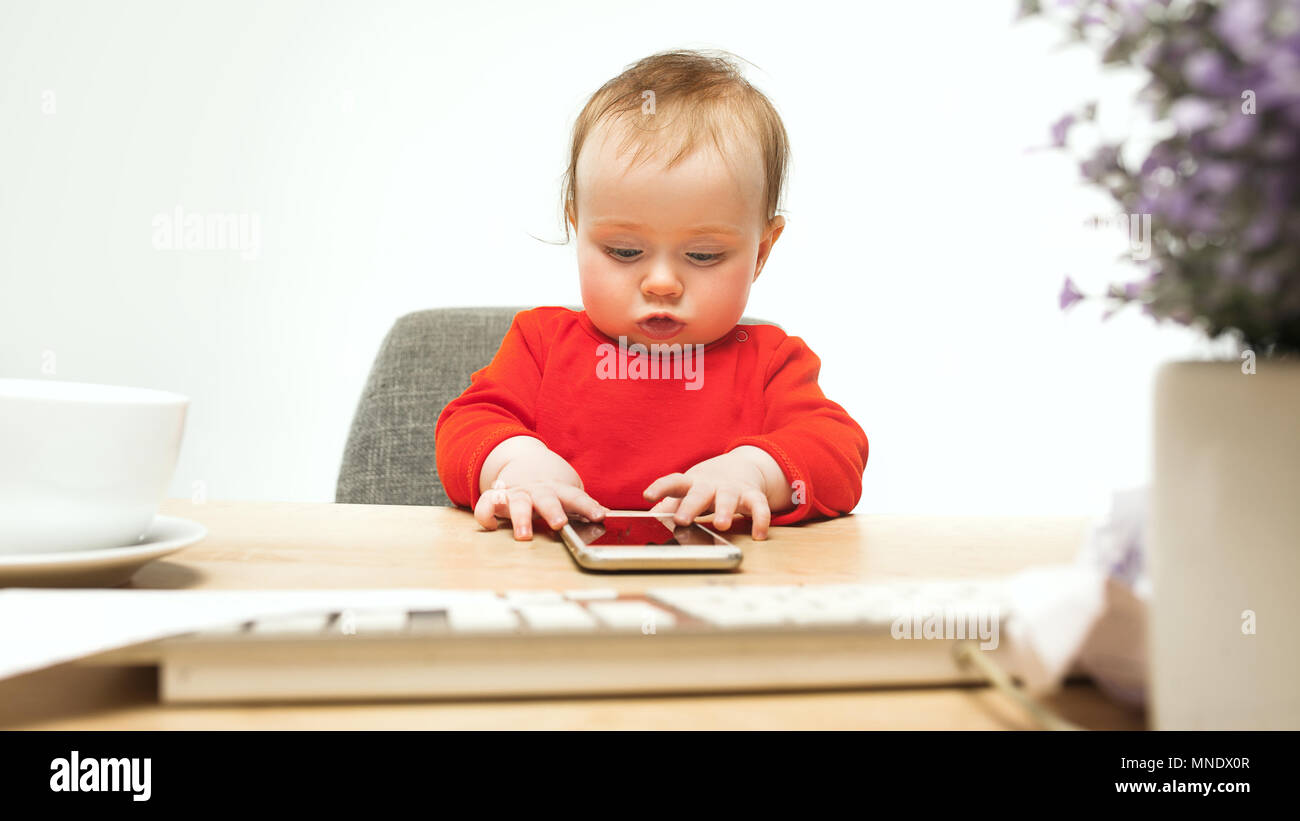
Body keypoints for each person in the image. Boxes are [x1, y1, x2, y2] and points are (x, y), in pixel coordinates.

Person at [436, 49, 868, 541]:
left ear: (762, 251)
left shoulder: (771, 364)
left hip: (721, 602)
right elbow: (464, 427)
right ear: (578, 229)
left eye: (703, 256)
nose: (661, 283)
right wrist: (517, 466)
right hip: (557, 595)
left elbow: (839, 455)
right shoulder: (540, 344)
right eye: (624, 250)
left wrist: (755, 472)